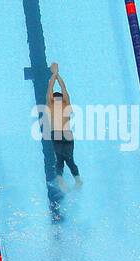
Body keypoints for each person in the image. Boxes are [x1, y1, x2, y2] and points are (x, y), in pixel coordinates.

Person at [47, 63, 81, 191]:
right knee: (68, 158)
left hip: (58, 133)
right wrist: (56, 74)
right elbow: (62, 89)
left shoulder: (52, 106)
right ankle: (76, 180)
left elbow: (53, 89)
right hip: (66, 133)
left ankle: (62, 180)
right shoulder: (65, 105)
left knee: (61, 158)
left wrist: (55, 74)